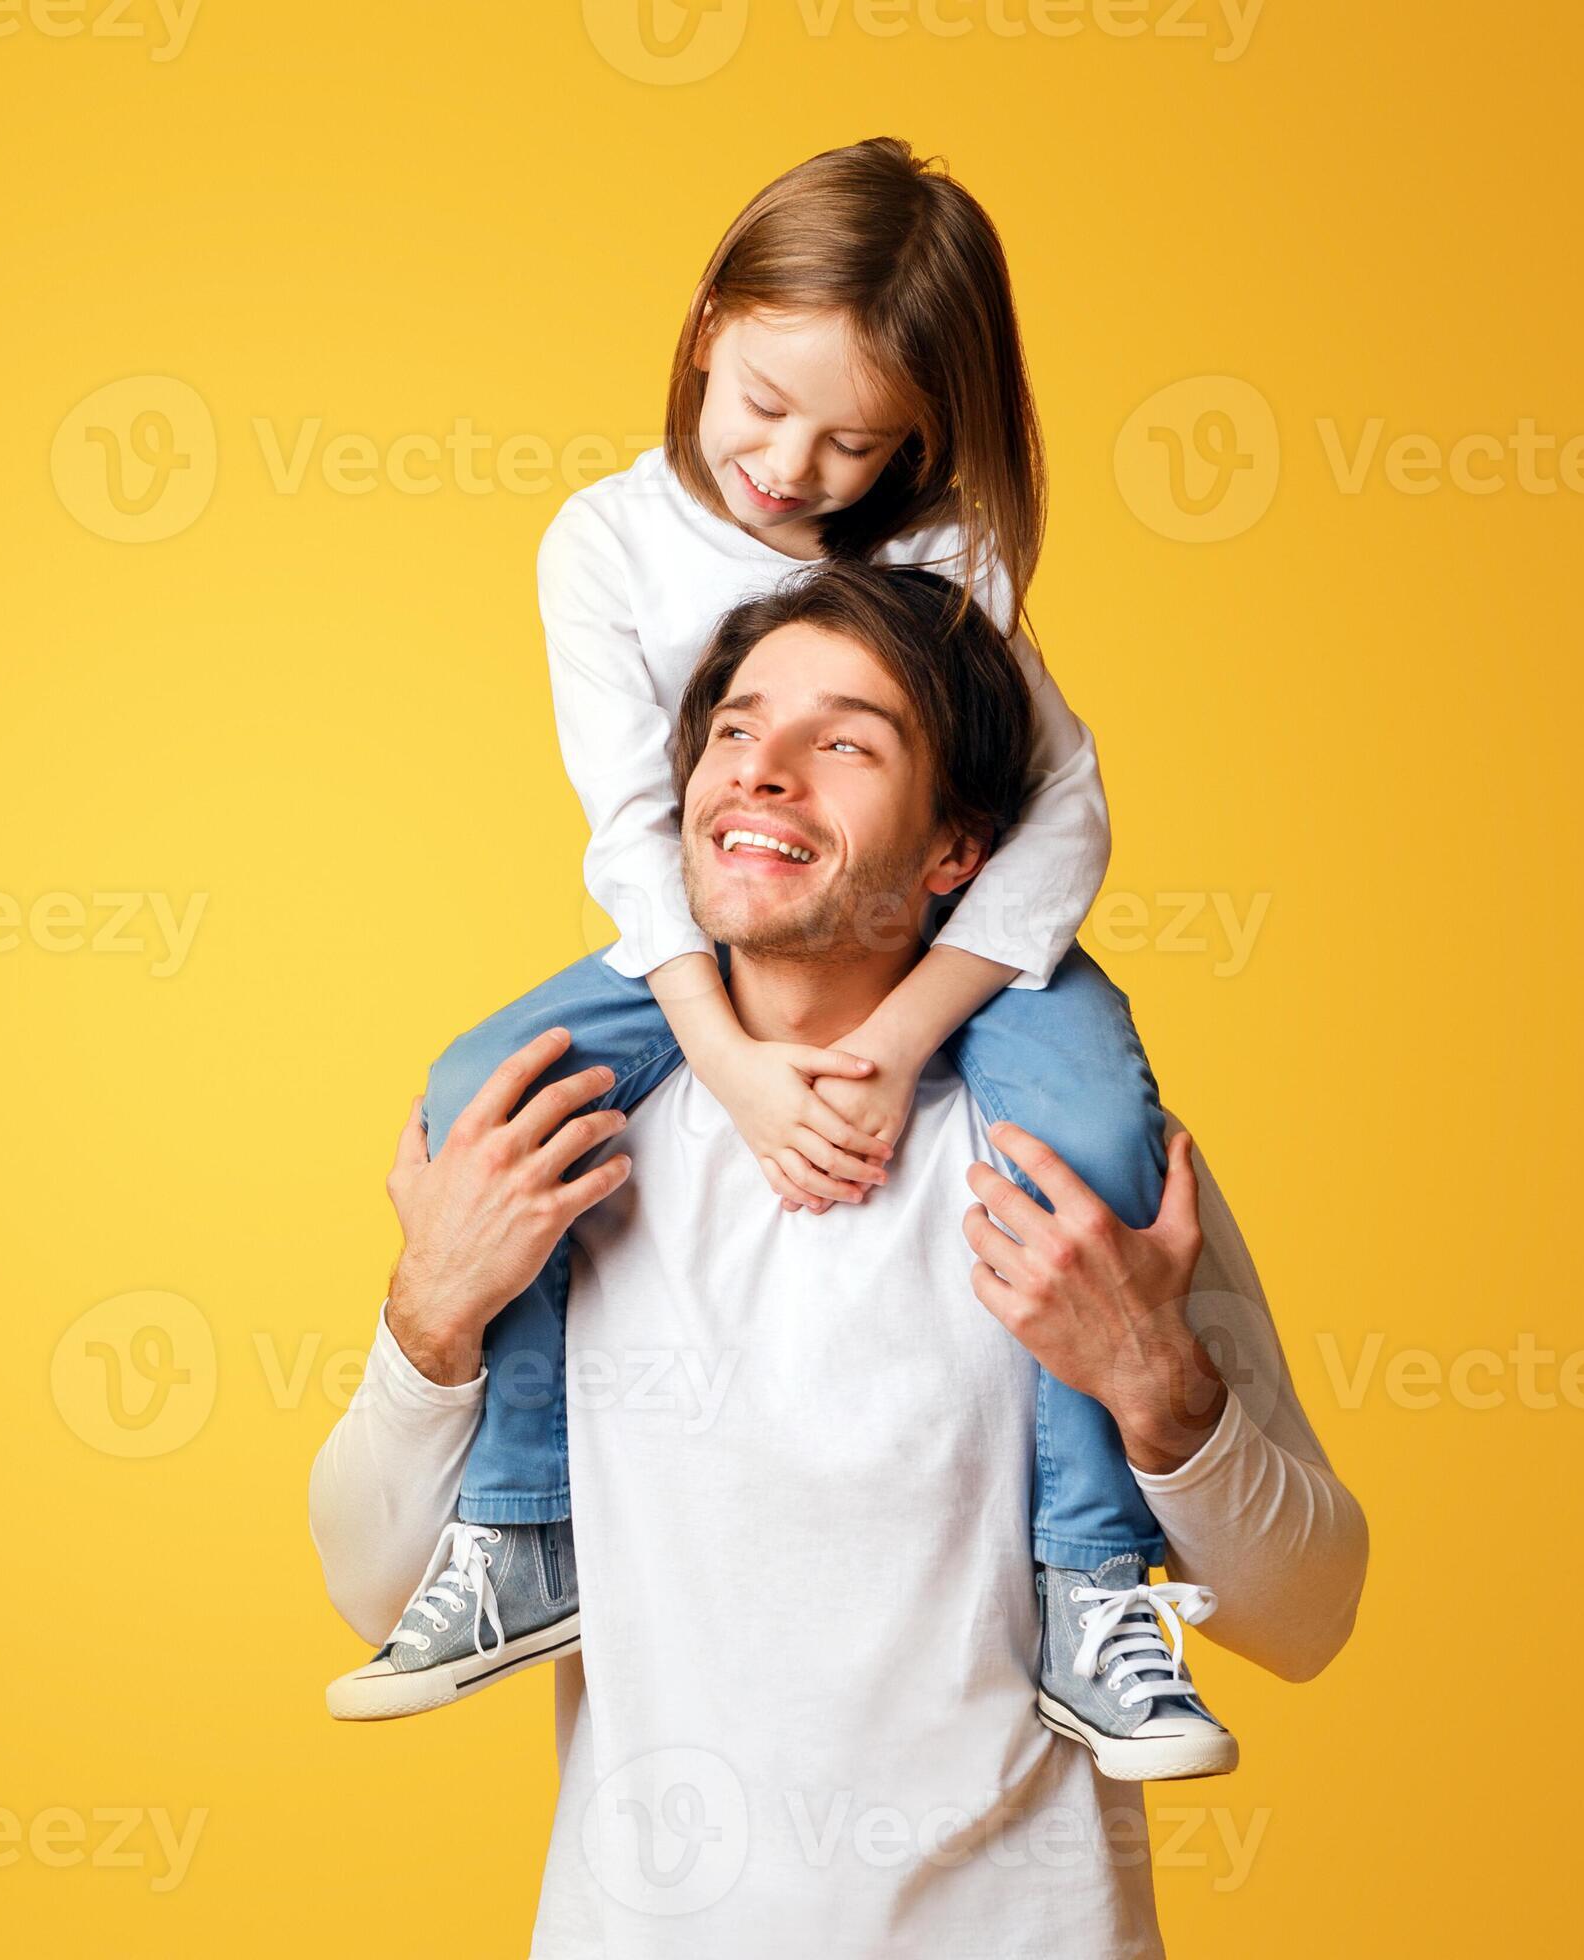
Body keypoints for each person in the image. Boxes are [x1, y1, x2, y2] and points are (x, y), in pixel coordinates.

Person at [308, 564, 1367, 1953]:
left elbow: (1310, 1616)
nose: (765, 775)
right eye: (736, 732)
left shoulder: (1072, 1164)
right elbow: (368, 1588)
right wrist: (430, 1315)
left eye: (848, 743)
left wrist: (1155, 1384)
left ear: (957, 853)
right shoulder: (563, 1143)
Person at [326, 139, 1197, 1778]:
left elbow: (1061, 827)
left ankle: (1093, 1573)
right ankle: (522, 1535)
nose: (792, 468)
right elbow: (633, 826)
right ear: (710, 319)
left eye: (856, 440)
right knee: (475, 1103)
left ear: (925, 442)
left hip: (951, 963)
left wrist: (899, 1039)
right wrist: (730, 1066)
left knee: (1090, 1136)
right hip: (688, 963)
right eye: (766, 403)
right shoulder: (604, 545)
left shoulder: (944, 567)